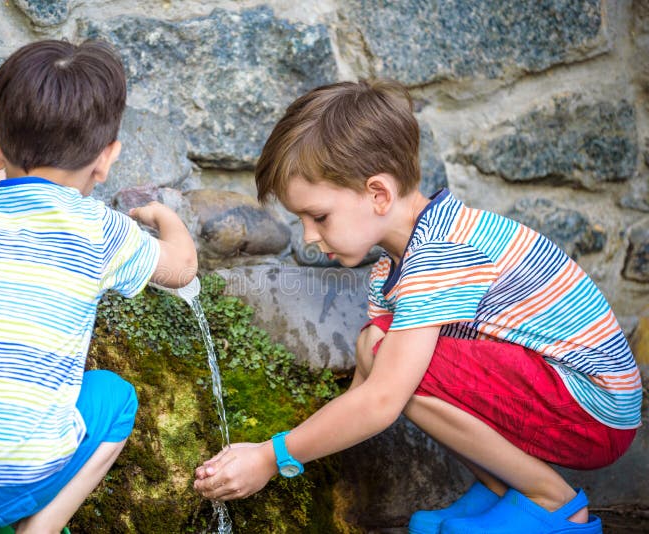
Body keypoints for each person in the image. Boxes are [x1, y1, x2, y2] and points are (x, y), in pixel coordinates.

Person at [193, 79, 642, 534]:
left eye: (319, 216)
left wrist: (272, 456)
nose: (309, 236)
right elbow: (367, 393)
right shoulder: (400, 261)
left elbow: (383, 398)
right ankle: (505, 491)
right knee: (377, 345)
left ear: (378, 194)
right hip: (566, 398)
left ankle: (552, 503)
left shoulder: (440, 255)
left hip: (593, 409)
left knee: (394, 360)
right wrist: (311, 438)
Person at [0, 39, 197, 534]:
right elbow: (181, 269)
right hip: (10, 473)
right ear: (107, 158)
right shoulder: (99, 228)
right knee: (114, 399)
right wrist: (165, 218)